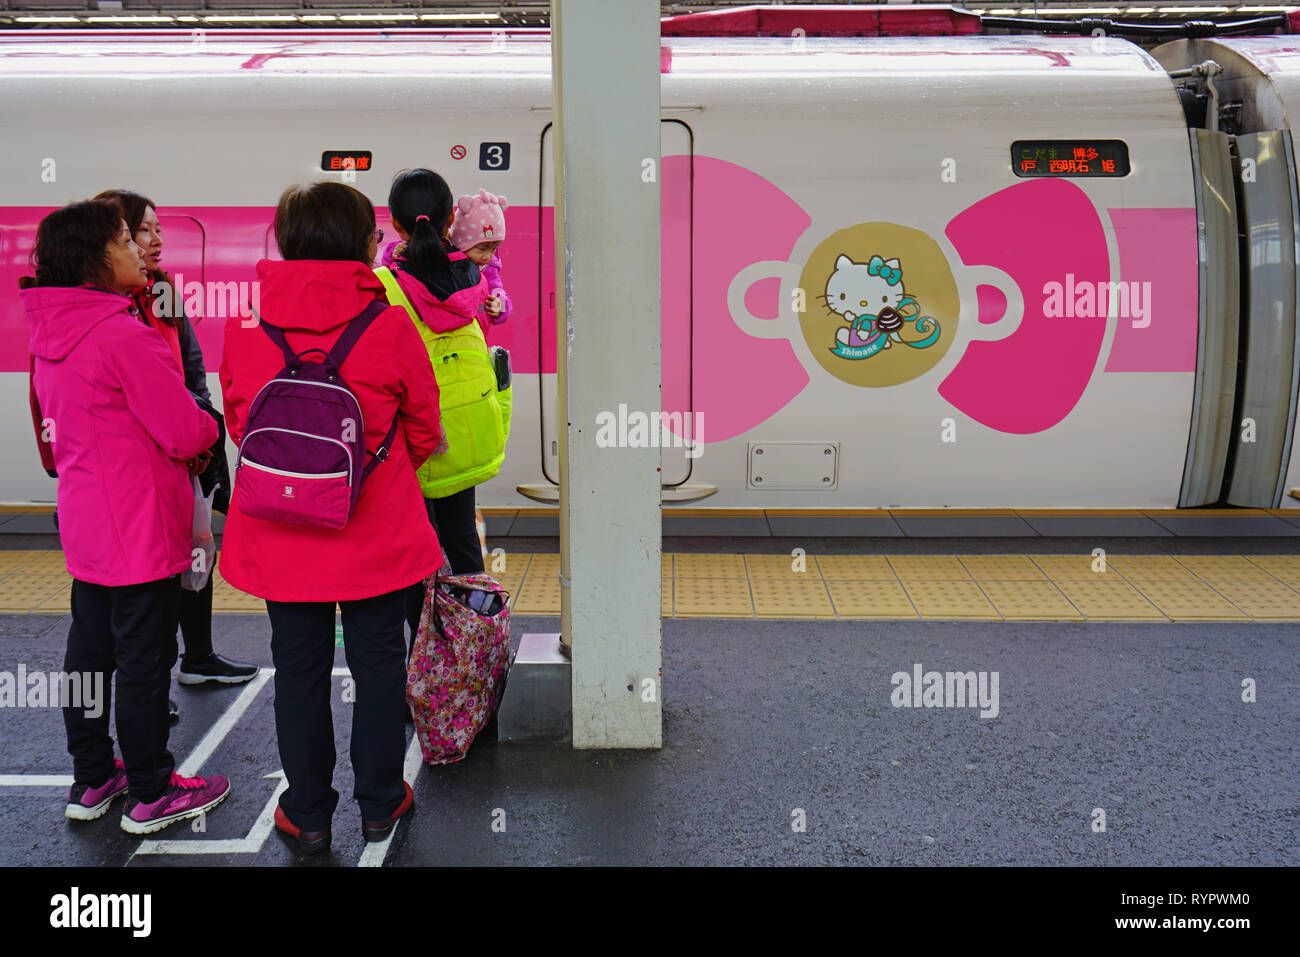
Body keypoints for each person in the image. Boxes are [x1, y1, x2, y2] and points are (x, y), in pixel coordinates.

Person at [219, 182, 445, 854]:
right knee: (379, 664)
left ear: (287, 241)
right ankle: (381, 801)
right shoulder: (390, 323)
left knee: (299, 669)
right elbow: (426, 430)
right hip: (375, 532)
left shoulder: (244, 323)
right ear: (361, 243)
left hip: (281, 535)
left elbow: (241, 425)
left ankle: (308, 811)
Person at [21, 199, 230, 834]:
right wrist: (211, 427)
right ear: (95, 259)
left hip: (86, 525)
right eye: (124, 240)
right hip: (139, 527)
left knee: (88, 654)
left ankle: (92, 778)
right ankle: (152, 789)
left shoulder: (50, 333)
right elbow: (182, 429)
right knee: (145, 657)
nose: (138, 251)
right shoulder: (120, 334)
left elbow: (53, 438)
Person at [93, 189, 257, 709]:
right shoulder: (110, 310)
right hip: (148, 460)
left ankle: (199, 657)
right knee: (150, 582)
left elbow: (191, 373)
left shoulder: (162, 295)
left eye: (158, 230)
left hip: (187, 447)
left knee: (197, 553)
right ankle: (149, 690)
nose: (156, 241)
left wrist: (204, 431)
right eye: (142, 231)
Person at [373, 170, 512, 645]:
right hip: (470, 436)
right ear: (453, 219)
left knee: (416, 553)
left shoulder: (384, 285)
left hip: (414, 445)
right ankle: (477, 654)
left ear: (394, 223)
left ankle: (425, 655)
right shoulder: (473, 279)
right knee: (464, 544)